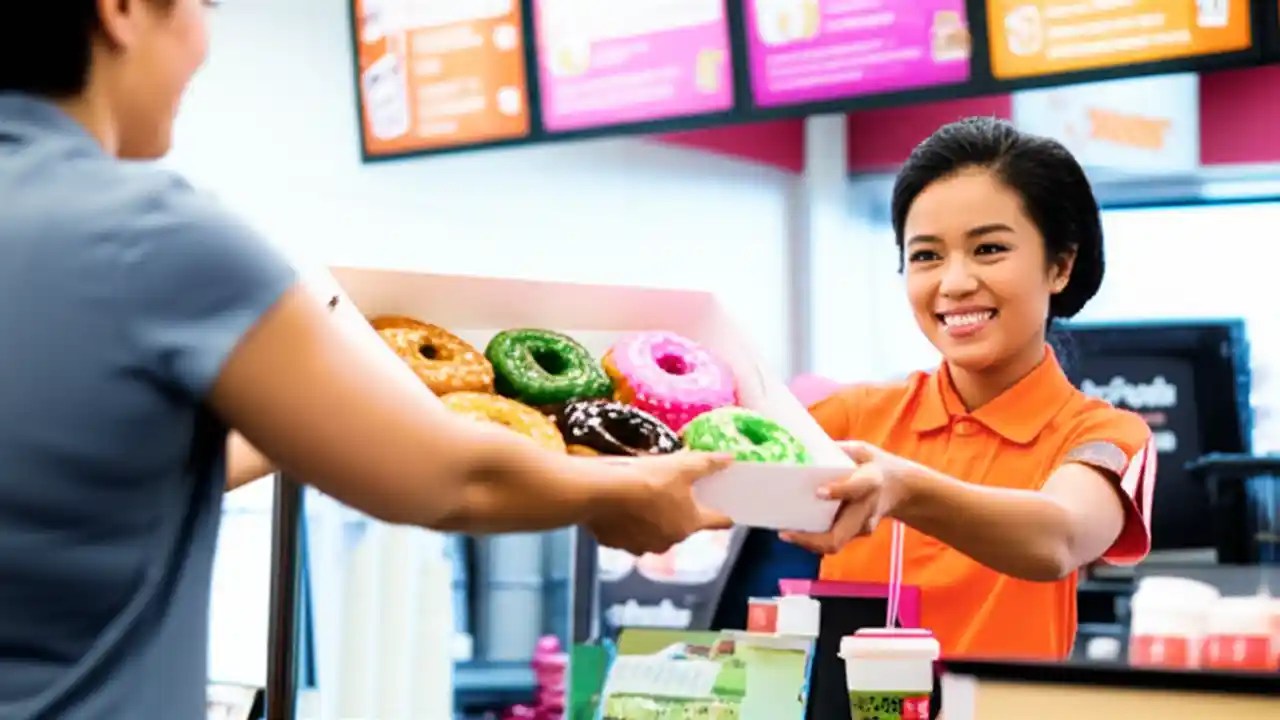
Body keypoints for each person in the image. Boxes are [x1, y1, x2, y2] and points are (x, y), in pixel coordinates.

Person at [0, 2, 730, 717]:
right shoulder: (156, 237)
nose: (204, 41)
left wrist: (323, 413)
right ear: (120, 10)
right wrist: (612, 492)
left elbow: (106, 475)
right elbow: (452, 481)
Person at [780, 117, 1156, 661]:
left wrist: (903, 487)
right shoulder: (852, 417)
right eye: (927, 256)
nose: (954, 283)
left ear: (1060, 266)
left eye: (989, 250)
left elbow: (1059, 538)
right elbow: (701, 483)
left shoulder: (1105, 435)